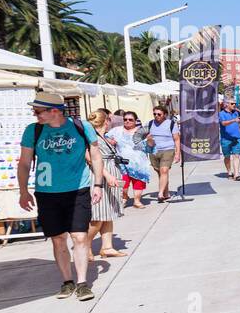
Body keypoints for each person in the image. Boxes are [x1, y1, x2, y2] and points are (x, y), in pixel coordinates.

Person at [16, 92, 104, 301]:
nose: (35, 114)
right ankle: (67, 282)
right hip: (47, 193)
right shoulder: (33, 130)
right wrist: (23, 191)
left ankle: (82, 283)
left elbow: (96, 155)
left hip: (78, 190)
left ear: (54, 111)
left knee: (80, 237)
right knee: (57, 240)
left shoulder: (81, 127)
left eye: (38, 111)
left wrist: (98, 184)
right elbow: (24, 163)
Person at [85, 108, 126, 260]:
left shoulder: (103, 136)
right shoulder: (91, 137)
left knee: (108, 213)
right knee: (98, 216)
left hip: (109, 171)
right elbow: (90, 158)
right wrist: (107, 176)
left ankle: (107, 247)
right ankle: (84, 246)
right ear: (106, 121)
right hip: (100, 175)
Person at [106, 111, 151, 209]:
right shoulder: (116, 130)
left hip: (139, 162)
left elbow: (151, 146)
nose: (127, 121)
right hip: (122, 162)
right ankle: (124, 196)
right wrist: (111, 141)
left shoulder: (142, 131)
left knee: (138, 182)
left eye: (130, 120)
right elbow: (105, 137)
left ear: (135, 121)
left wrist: (150, 140)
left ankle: (137, 201)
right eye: (125, 119)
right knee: (123, 182)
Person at [144, 104, 181, 202]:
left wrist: (178, 153)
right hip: (154, 151)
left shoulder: (171, 124)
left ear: (164, 114)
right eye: (154, 114)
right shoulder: (150, 123)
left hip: (168, 150)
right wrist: (148, 139)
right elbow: (141, 135)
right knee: (159, 172)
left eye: (159, 114)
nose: (156, 116)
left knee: (164, 170)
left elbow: (177, 139)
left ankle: (160, 194)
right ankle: (166, 191)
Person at [219, 98, 240, 180]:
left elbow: (239, 125)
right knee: (227, 157)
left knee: (236, 155)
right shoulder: (221, 113)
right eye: (232, 103)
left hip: (237, 138)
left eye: (235, 103)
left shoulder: (236, 113)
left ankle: (236, 174)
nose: (234, 105)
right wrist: (234, 120)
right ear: (227, 104)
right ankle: (229, 172)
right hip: (225, 139)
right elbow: (223, 123)